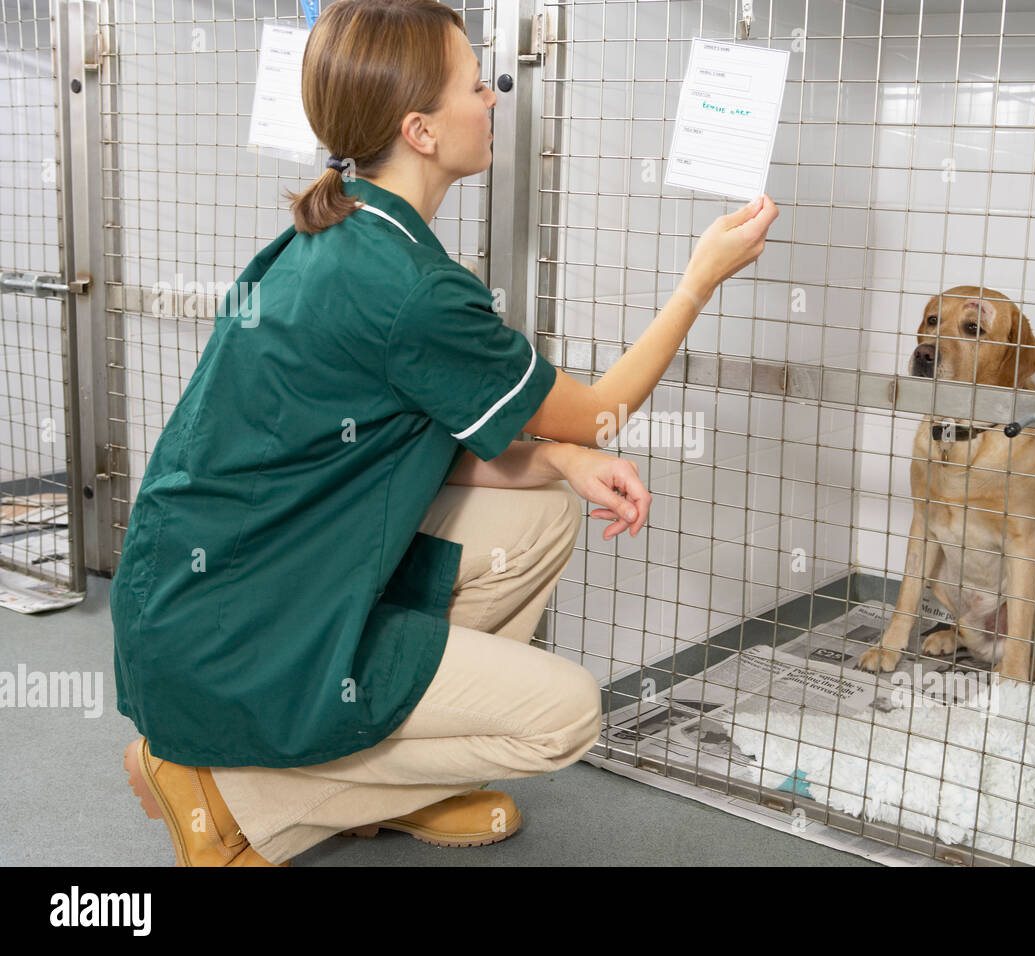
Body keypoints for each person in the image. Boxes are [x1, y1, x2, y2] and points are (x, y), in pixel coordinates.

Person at [114, 0, 779, 866]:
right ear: (420, 129)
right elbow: (607, 406)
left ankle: (390, 788)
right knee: (567, 715)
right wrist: (699, 280)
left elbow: (408, 453)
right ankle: (228, 791)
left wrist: (567, 461)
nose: (496, 94)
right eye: (477, 81)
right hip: (237, 630)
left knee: (545, 510)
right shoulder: (414, 289)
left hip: (208, 598)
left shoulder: (343, 224)